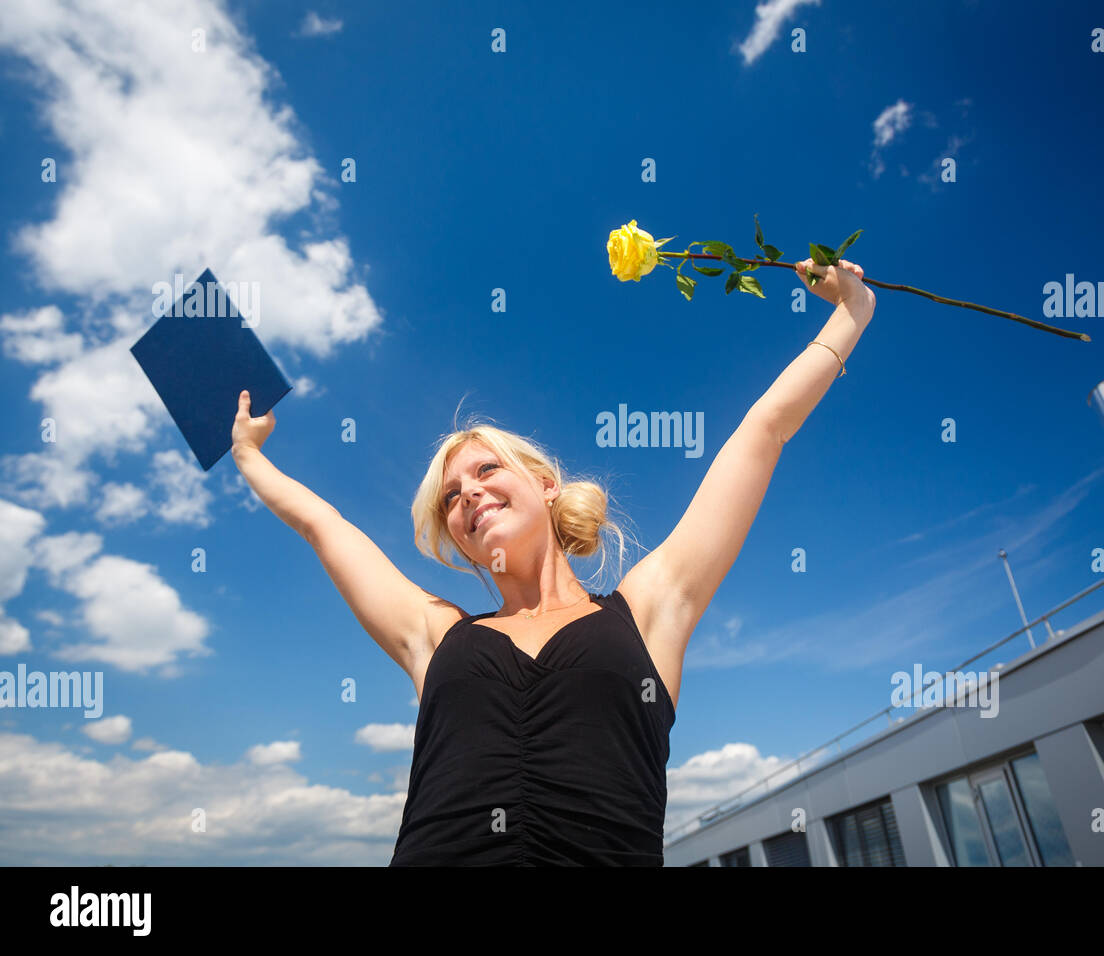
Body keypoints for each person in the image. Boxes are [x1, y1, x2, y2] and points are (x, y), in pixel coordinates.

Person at [230, 257, 876, 865]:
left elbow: (760, 434)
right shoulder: (435, 633)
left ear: (544, 485)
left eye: (486, 470)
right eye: (452, 496)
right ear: (457, 537)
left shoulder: (648, 610)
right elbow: (325, 527)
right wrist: (251, 459)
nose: (470, 493)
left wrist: (850, 313)